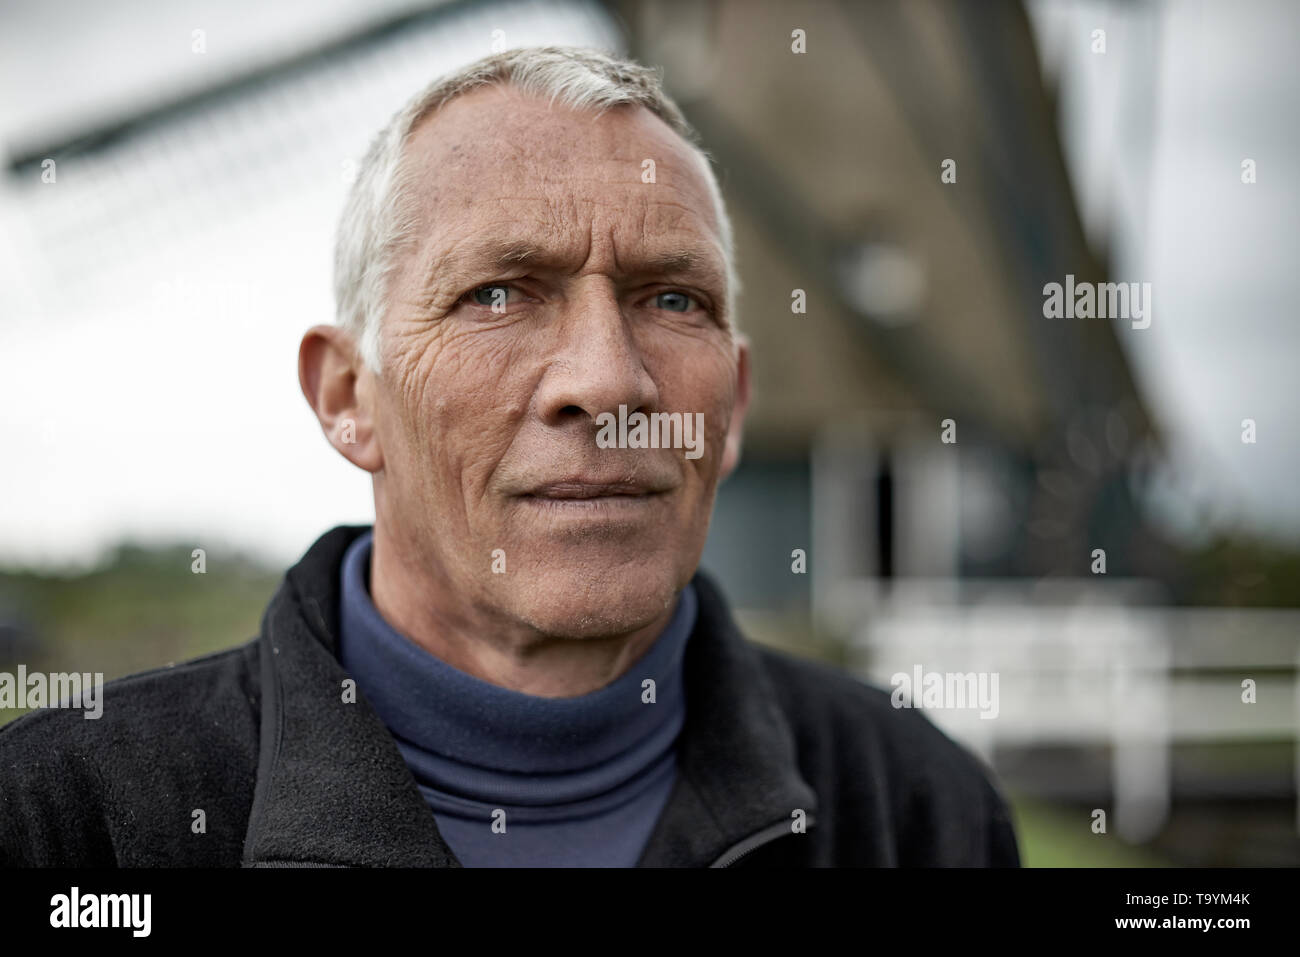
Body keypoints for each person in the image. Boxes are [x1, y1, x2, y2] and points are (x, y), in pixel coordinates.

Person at [0, 46, 1018, 867]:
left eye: (673, 298)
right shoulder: (69, 820)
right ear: (350, 398)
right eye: (497, 293)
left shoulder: (916, 810)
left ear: (737, 403)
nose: (609, 383)